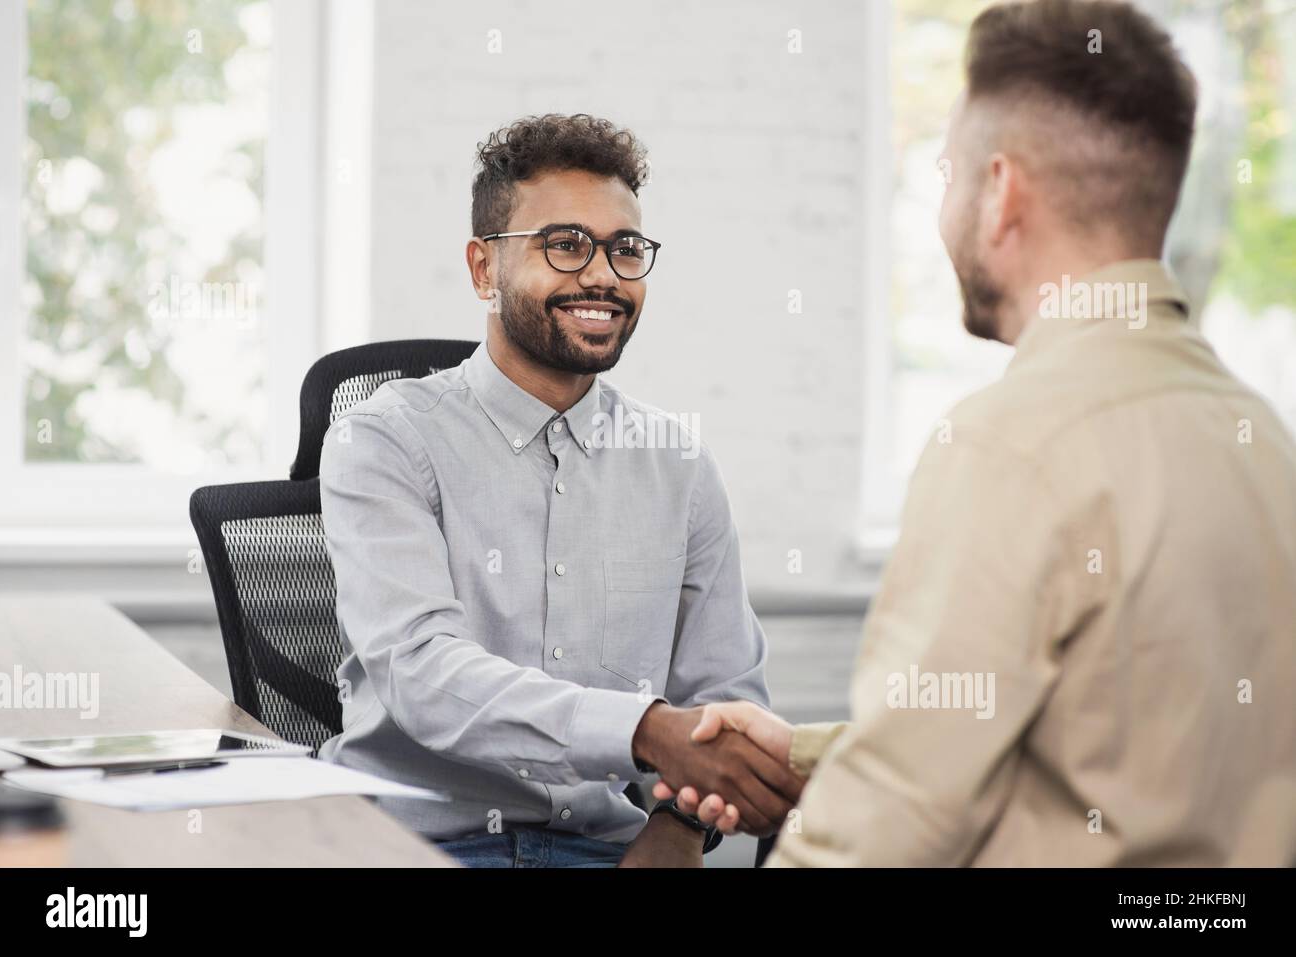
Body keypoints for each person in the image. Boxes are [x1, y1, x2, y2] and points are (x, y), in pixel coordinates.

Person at [656, 0, 1296, 867]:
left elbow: (876, 839)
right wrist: (799, 754)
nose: (943, 206)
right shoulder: (1258, 437)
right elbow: (1100, 751)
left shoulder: (1013, 445)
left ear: (1001, 193)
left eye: (950, 173)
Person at [317, 113, 802, 868]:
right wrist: (645, 730)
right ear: (484, 269)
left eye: (625, 248)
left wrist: (677, 829)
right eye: (566, 244)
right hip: (416, 845)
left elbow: (726, 690)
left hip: (608, 849)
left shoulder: (678, 464)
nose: (604, 275)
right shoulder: (383, 440)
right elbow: (422, 671)